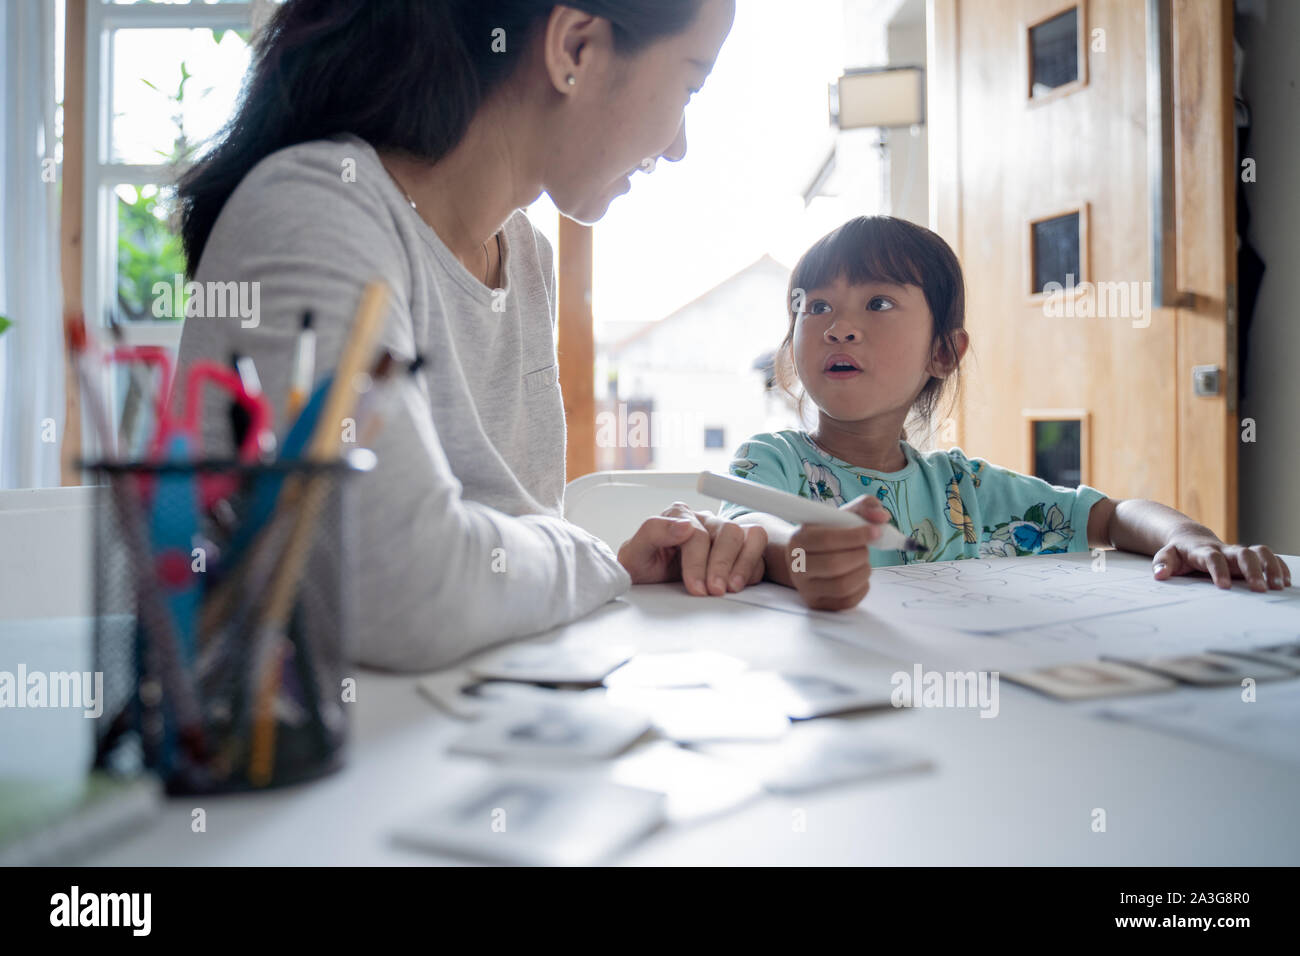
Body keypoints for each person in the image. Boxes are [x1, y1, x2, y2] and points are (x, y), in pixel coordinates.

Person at [175, 0, 765, 671]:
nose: (680, 145)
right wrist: (594, 559)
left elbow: (488, 550)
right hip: (310, 761)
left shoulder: (525, 257)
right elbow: (404, 588)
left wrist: (619, 564)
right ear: (575, 48)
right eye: (689, 84)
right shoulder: (313, 210)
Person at [721, 216, 1292, 610]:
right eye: (815, 306)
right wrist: (797, 552)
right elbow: (747, 528)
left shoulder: (964, 491)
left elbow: (1113, 517)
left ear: (943, 352)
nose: (838, 325)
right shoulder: (774, 459)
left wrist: (1193, 538)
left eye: (878, 303)